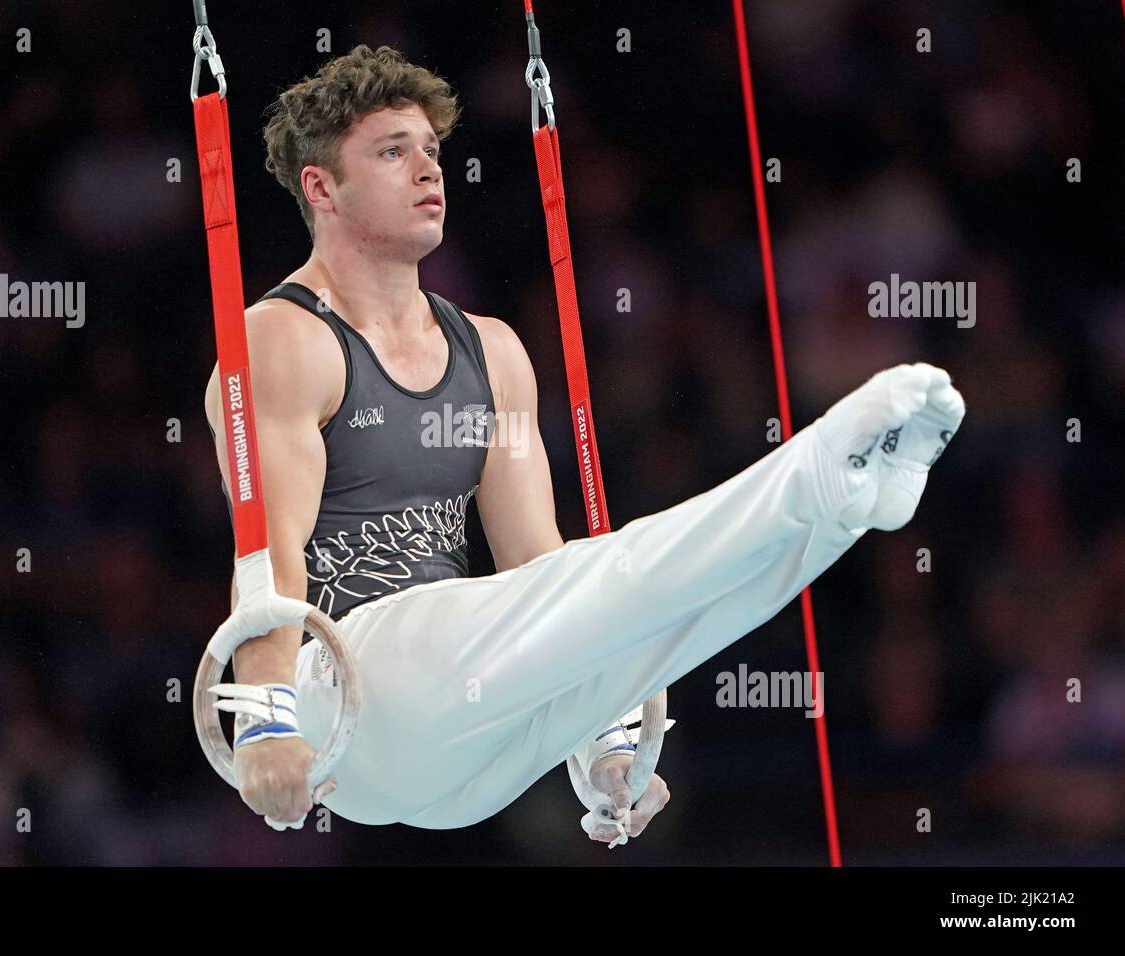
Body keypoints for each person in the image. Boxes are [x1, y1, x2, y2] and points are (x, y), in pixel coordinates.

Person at [203, 45, 965, 845]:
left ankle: (838, 511)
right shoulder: (280, 340)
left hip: (466, 749)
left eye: (431, 149)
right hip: (348, 687)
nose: (428, 169)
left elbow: (541, 569)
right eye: (393, 151)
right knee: (627, 574)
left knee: (667, 621)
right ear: (320, 186)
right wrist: (263, 720)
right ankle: (813, 472)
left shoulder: (492, 352)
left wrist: (609, 740)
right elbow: (270, 558)